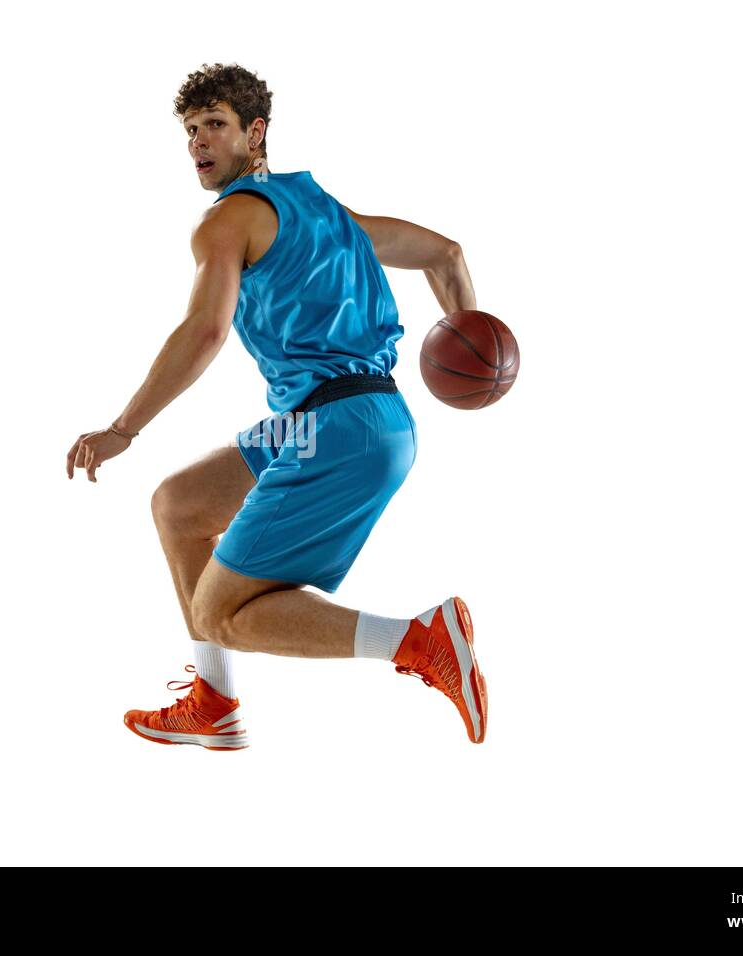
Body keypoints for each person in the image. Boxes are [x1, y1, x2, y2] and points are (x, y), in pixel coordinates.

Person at [66, 63, 487, 749]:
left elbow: (203, 332)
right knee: (179, 504)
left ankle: (419, 640)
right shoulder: (330, 214)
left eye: (216, 126)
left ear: (255, 134)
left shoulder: (227, 222)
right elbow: (446, 254)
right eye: (192, 129)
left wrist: (123, 430)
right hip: (353, 418)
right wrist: (472, 348)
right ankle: (212, 703)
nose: (199, 142)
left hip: (336, 426)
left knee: (220, 613)